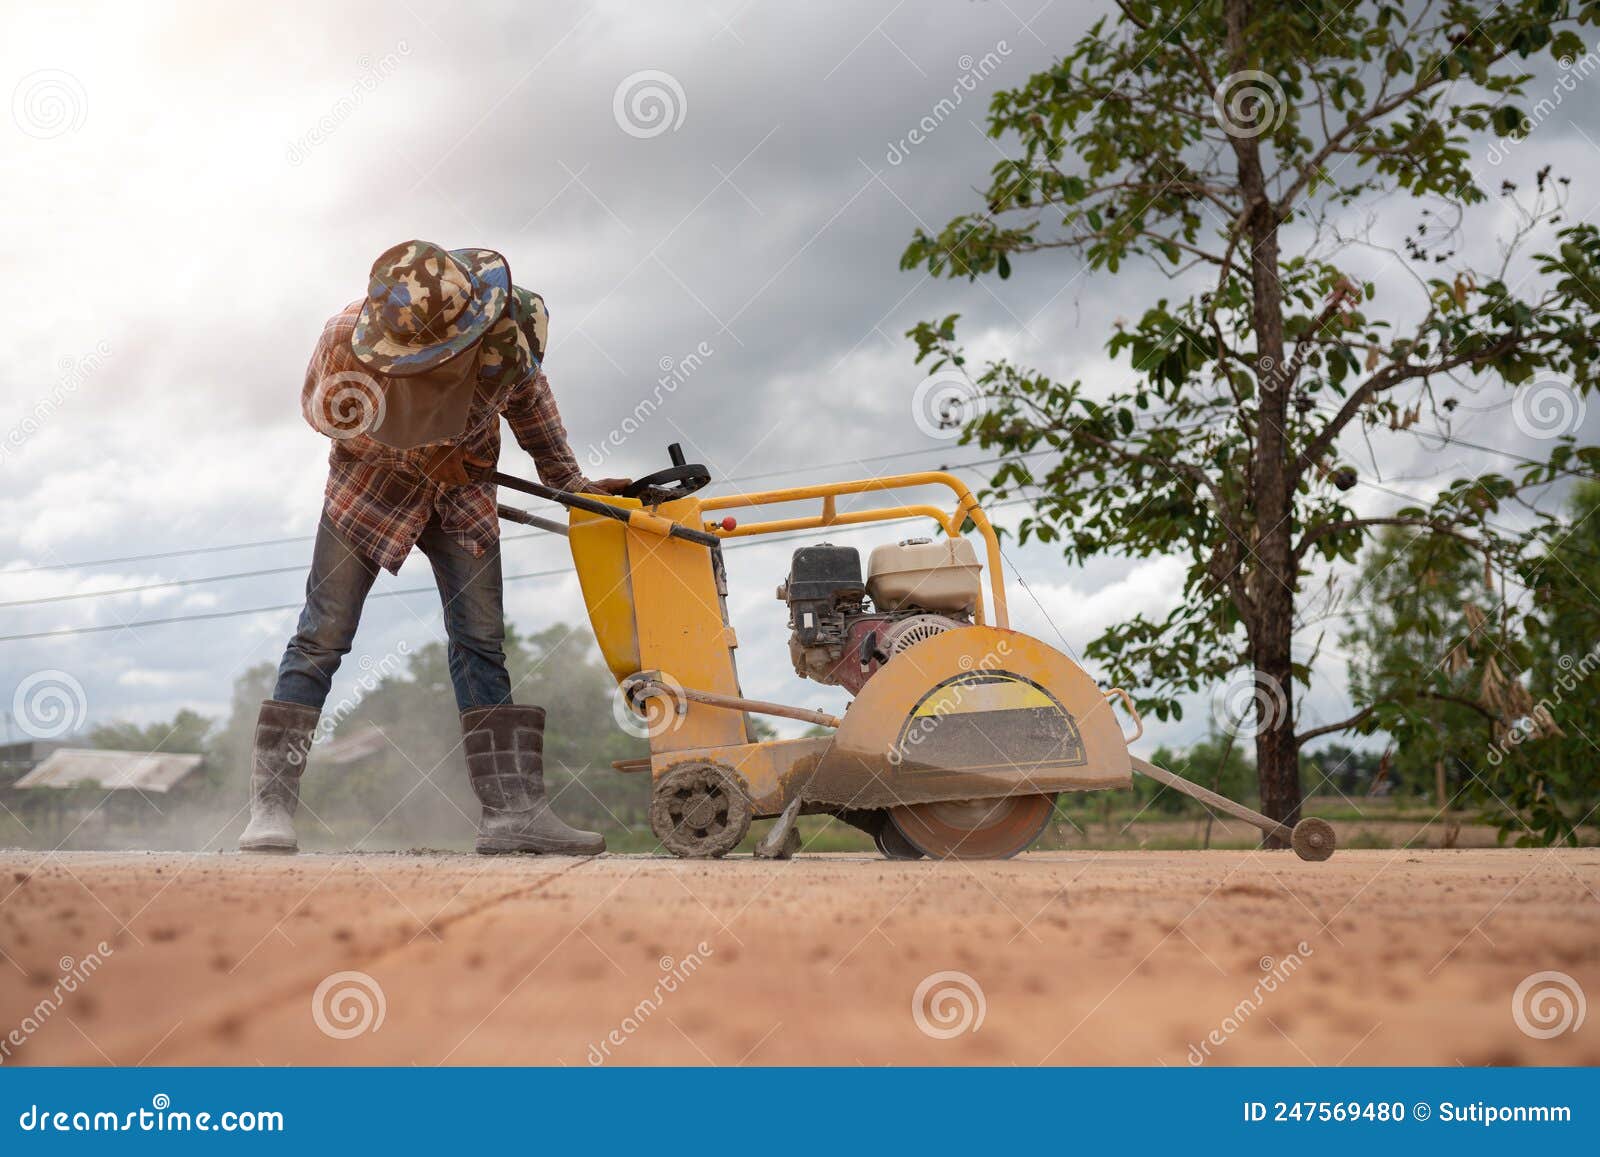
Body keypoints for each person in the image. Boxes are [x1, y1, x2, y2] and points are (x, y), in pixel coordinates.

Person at [239, 240, 628, 856]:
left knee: (481, 645)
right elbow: (326, 413)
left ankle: (513, 815)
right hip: (366, 497)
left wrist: (572, 486)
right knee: (321, 640)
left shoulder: (505, 332)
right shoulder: (345, 339)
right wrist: (414, 452)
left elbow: (531, 405)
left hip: (461, 500)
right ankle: (270, 810)